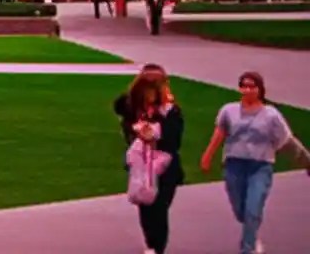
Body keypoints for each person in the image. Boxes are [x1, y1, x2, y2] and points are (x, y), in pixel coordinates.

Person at [201, 71, 310, 254]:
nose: (247, 90)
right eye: (244, 86)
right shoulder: (229, 110)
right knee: (240, 210)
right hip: (234, 165)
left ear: (260, 89)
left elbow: (287, 141)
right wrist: (207, 155)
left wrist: (306, 160)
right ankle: (251, 232)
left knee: (253, 208)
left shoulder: (271, 115)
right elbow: (220, 133)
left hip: (260, 166)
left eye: (252, 86)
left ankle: (248, 247)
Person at [118, 70, 184, 254]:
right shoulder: (135, 108)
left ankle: (157, 247)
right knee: (145, 205)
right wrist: (136, 131)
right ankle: (151, 243)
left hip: (165, 167)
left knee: (159, 208)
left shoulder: (171, 112)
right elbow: (124, 118)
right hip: (142, 164)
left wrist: (155, 135)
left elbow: (174, 140)